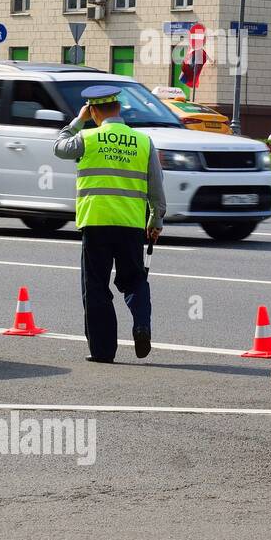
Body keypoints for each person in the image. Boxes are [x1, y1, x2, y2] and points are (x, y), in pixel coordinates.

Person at [53, 85, 165, 363]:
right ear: (118, 108)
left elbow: (58, 147)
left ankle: (103, 351)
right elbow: (156, 185)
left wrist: (78, 121)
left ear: (93, 111)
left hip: (96, 222)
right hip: (130, 223)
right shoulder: (143, 142)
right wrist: (156, 218)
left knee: (96, 286)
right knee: (134, 280)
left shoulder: (87, 138)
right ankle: (141, 324)